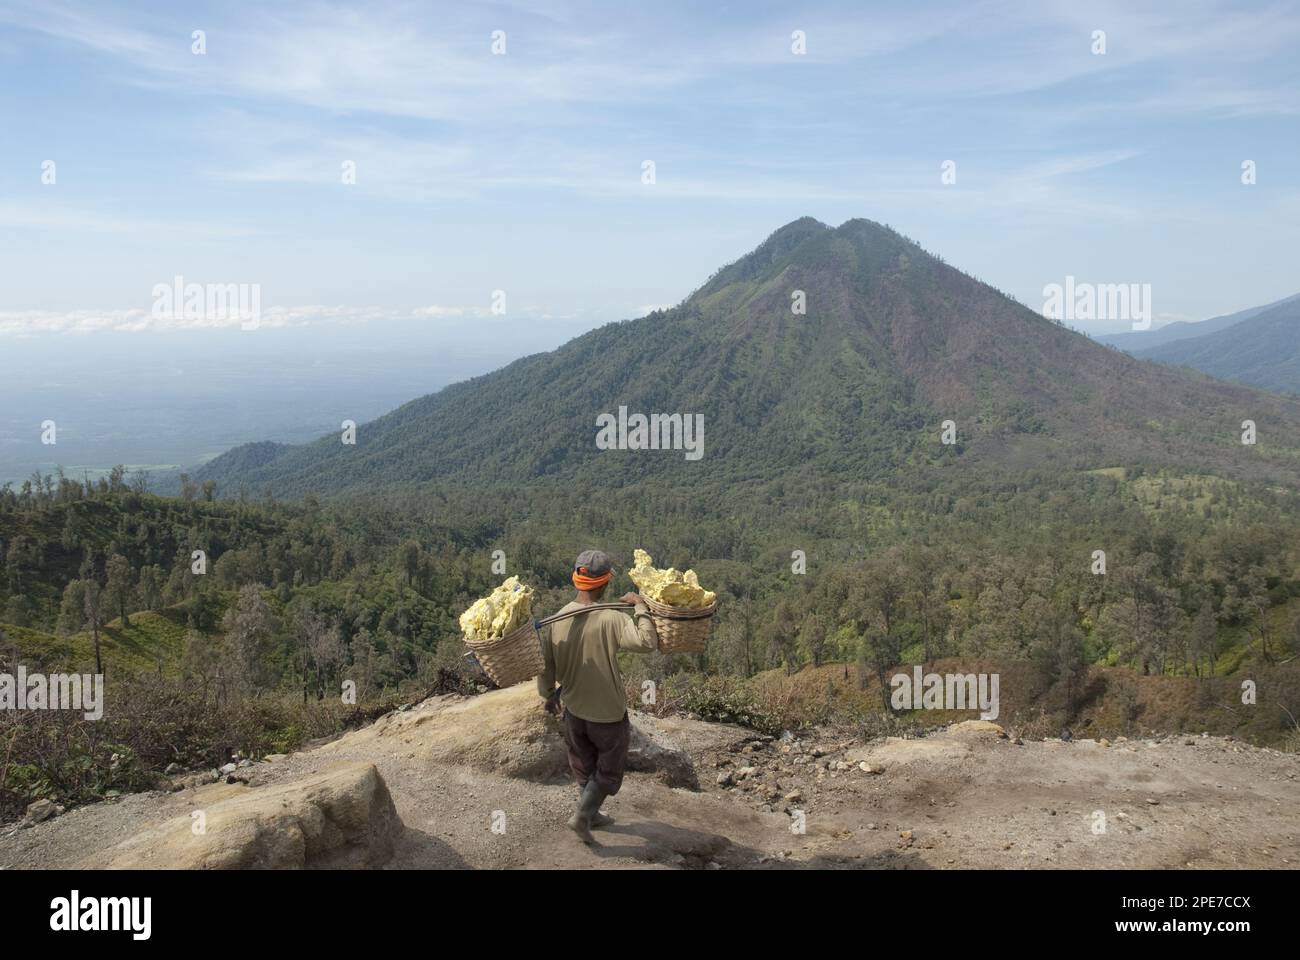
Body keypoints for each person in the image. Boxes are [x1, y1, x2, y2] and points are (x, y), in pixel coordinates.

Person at [538, 549, 659, 842]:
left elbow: (545, 669)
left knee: (583, 763)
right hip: (607, 714)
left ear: (575, 581)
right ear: (605, 584)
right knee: (608, 770)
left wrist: (548, 695)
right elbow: (646, 642)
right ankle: (582, 816)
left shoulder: (556, 620)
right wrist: (641, 607)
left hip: (574, 710)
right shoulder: (612, 619)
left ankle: (591, 812)